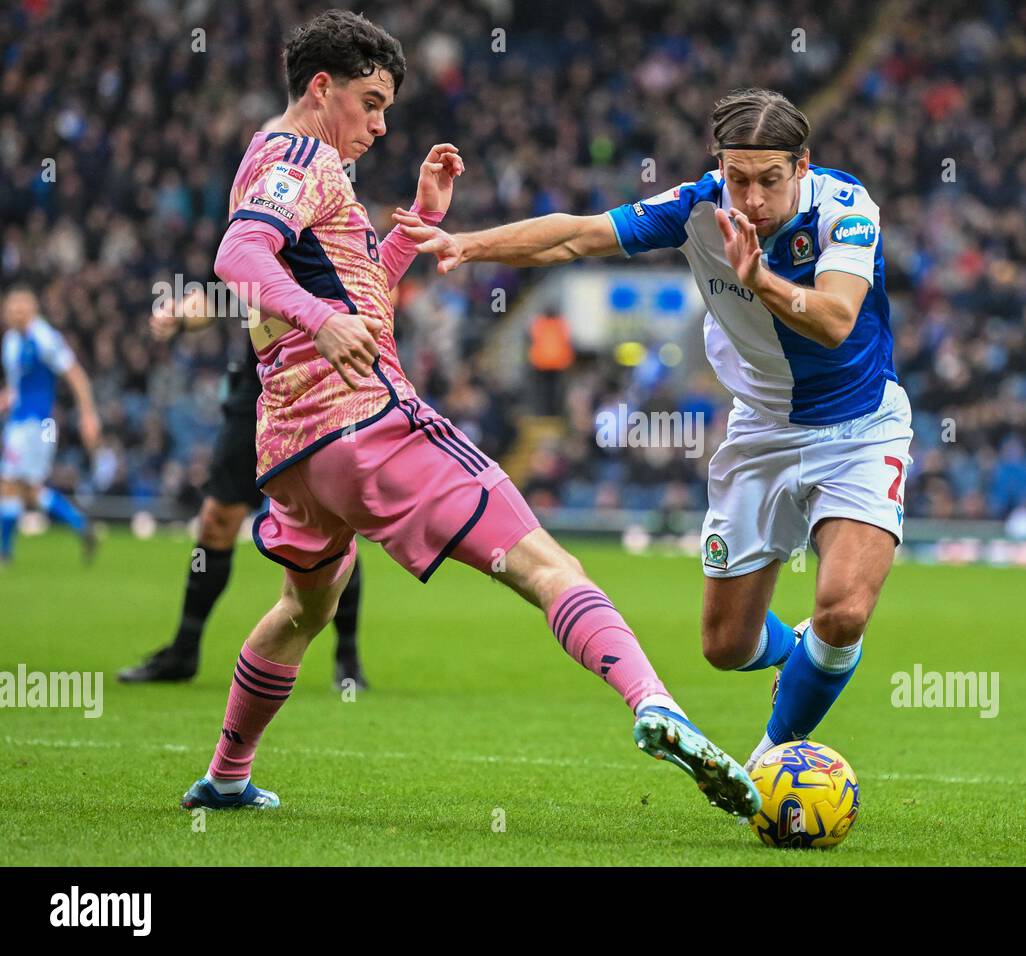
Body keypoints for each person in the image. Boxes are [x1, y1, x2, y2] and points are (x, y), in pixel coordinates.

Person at [180, 10, 758, 819]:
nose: (381, 126)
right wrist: (321, 320)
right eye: (372, 103)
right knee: (549, 568)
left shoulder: (271, 157)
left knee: (302, 609)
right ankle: (655, 704)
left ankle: (226, 776)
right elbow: (238, 256)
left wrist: (414, 225)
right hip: (366, 425)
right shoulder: (300, 158)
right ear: (321, 88)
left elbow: (360, 299)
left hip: (292, 453)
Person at [400, 87, 912, 770]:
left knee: (843, 610)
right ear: (719, 167)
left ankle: (767, 762)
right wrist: (469, 243)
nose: (752, 199)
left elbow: (837, 318)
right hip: (759, 431)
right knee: (726, 646)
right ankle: (803, 657)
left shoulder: (847, 212)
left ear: (803, 166)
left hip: (859, 429)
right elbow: (577, 235)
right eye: (738, 178)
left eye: (770, 180)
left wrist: (758, 280)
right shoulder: (697, 207)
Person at [118, 283, 367, 689]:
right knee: (216, 519)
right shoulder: (255, 230)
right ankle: (184, 651)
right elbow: (217, 296)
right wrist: (179, 315)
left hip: (323, 389)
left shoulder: (330, 231)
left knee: (333, 523)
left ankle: (348, 660)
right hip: (258, 391)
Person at [0, 285, 100, 565]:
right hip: (22, 419)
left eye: (23, 308)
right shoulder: (11, 341)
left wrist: (88, 415)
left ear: (33, 310)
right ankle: (81, 525)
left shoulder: (44, 338)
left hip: (35, 424)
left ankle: (4, 553)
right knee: (30, 490)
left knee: (8, 484)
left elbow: (76, 375)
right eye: (13, 308)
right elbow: (18, 385)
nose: (17, 313)